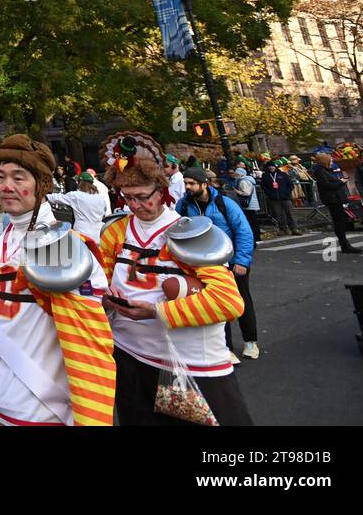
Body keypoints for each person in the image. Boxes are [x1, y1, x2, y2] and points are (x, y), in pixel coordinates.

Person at [0, 134, 116, 426]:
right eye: (0, 177)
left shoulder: (64, 248)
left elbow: (90, 349)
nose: (6, 187)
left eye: (19, 178)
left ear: (41, 184)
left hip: (39, 412)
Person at [99, 136, 252, 425]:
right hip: (129, 355)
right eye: (128, 197)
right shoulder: (114, 233)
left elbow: (228, 303)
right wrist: (105, 299)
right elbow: (101, 284)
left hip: (192, 363)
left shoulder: (186, 233)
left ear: (162, 190)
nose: (136, 205)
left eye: (144, 196)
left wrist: (156, 311)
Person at [176, 167, 259, 360]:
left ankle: (250, 342)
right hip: (204, 264)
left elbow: (244, 231)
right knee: (216, 305)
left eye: (191, 183)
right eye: (185, 183)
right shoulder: (183, 205)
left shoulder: (225, 203)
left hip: (231, 262)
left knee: (242, 301)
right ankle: (226, 348)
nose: (187, 187)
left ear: (204, 184)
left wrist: (241, 261)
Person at [311, 151, 360, 252]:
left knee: (341, 221)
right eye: (330, 159)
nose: (332, 160)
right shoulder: (320, 171)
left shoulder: (326, 170)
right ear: (324, 160)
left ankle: (345, 244)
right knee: (339, 222)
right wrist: (341, 182)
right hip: (332, 199)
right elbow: (327, 186)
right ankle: (345, 245)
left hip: (336, 198)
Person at [48, 171, 112, 240]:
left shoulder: (76, 196)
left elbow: (56, 198)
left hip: (82, 234)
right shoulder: (101, 198)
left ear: (79, 183)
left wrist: (43, 196)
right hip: (99, 234)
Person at [264, 159, 300, 235]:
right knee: (279, 215)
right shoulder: (265, 176)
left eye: (272, 166)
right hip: (274, 199)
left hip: (285, 197)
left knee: (290, 213)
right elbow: (264, 187)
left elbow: (290, 185)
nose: (271, 167)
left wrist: (287, 193)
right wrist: (270, 194)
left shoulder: (283, 174)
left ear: (275, 166)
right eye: (269, 166)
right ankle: (283, 229)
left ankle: (294, 228)